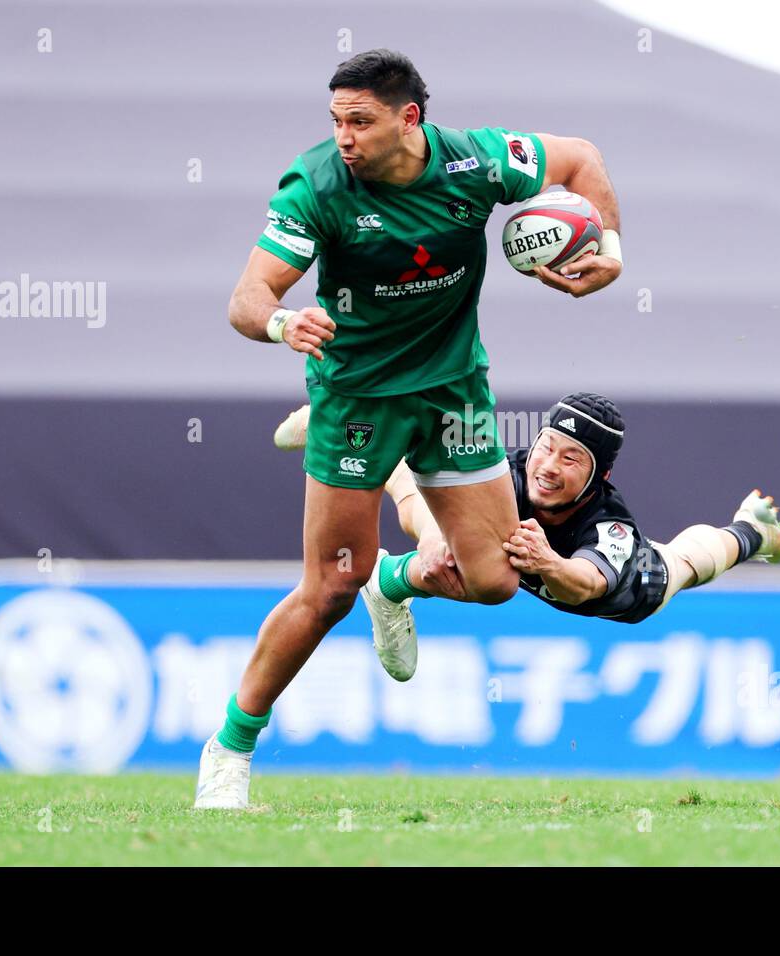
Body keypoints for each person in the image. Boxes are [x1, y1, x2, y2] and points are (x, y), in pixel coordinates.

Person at [194, 49, 623, 809]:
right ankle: (230, 748)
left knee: (495, 581)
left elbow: (583, 159)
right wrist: (285, 320)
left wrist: (611, 252)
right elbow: (246, 295)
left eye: (359, 121)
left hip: (455, 392)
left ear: (409, 119)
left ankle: (396, 582)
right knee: (330, 587)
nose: (345, 137)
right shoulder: (318, 183)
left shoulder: (480, 163)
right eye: (336, 121)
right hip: (359, 400)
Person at [272, 391, 780, 681]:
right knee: (437, 525)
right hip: (516, 557)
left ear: (600, 475)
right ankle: (339, 429)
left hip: (625, 589)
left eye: (572, 459)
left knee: (684, 564)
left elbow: (585, 586)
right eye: (547, 445)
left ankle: (753, 530)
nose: (549, 466)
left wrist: (549, 562)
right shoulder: (509, 469)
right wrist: (436, 540)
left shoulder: (610, 525)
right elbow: (427, 459)